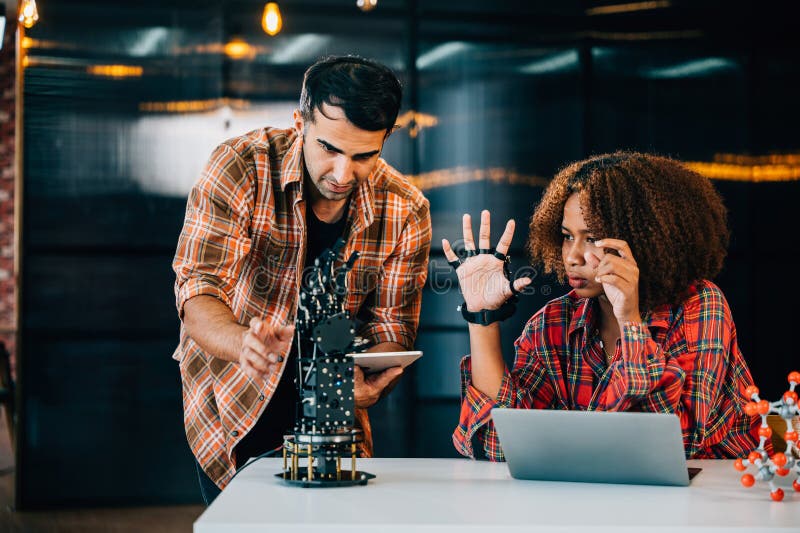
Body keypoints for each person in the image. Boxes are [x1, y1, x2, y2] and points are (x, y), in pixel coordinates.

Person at [172, 56, 431, 503]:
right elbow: (199, 288)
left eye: (363, 156)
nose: (343, 174)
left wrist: (368, 376)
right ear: (300, 124)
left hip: (334, 418)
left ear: (386, 138)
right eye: (329, 148)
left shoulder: (406, 209)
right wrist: (244, 343)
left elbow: (392, 327)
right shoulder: (240, 165)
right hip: (233, 403)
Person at [443, 152, 760, 461]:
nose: (572, 257)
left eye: (592, 237)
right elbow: (502, 445)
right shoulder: (553, 323)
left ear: (646, 240)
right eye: (567, 236)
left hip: (720, 488)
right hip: (602, 493)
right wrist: (482, 319)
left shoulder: (699, 305)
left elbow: (674, 444)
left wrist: (630, 322)